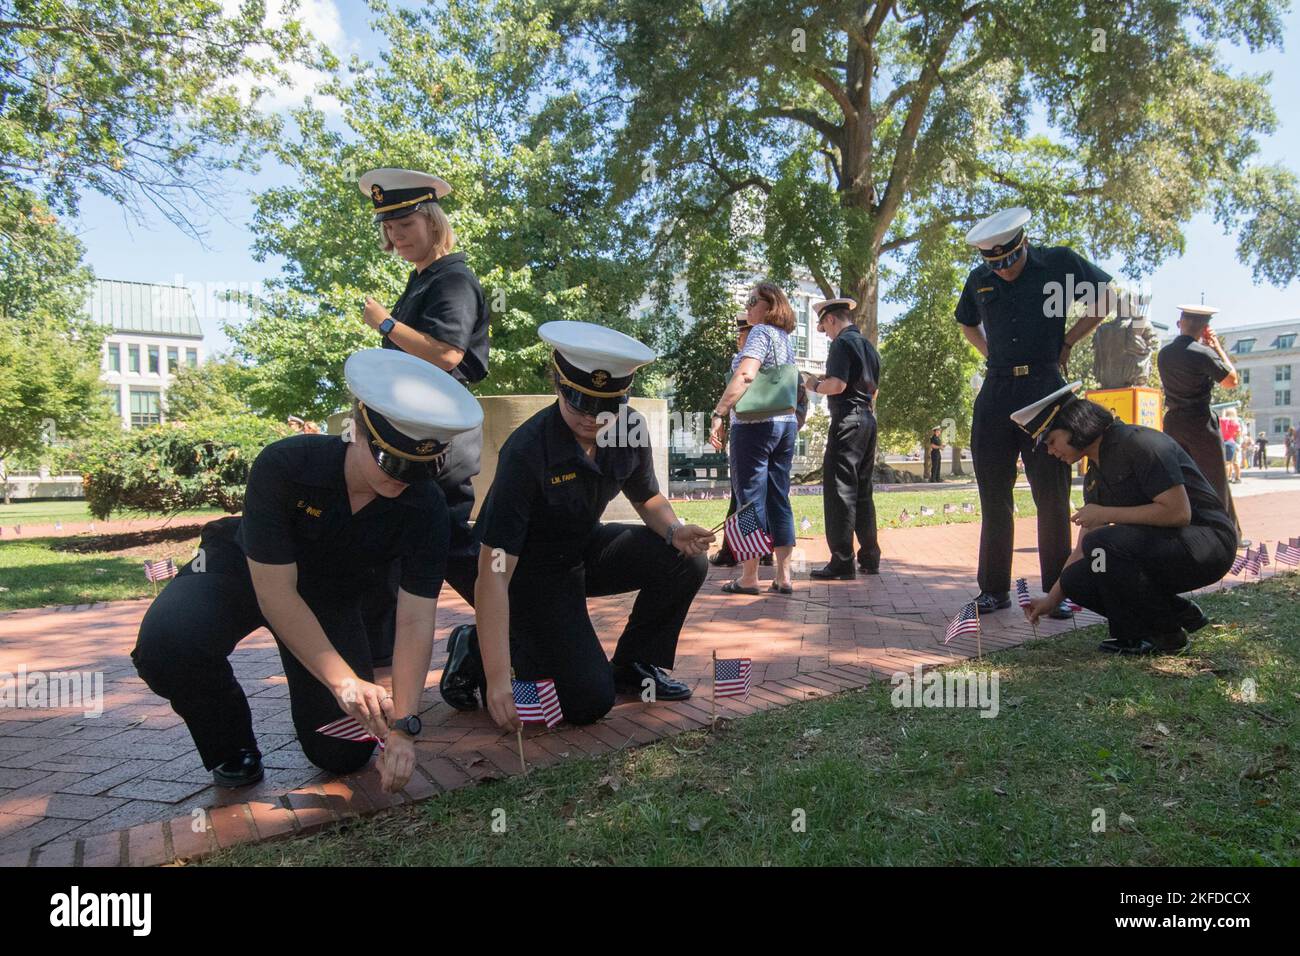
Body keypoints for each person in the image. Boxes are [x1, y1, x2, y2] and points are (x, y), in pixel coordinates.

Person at [132, 350, 482, 790]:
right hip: (241, 570)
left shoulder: (423, 504)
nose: (401, 479)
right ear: (355, 431)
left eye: (417, 468)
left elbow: (414, 619)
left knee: (343, 751)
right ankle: (231, 745)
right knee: (170, 646)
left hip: (327, 595)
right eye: (391, 461)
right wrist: (344, 682)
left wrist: (403, 725)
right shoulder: (286, 465)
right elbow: (276, 594)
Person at [440, 321, 715, 726]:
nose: (591, 418)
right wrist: (498, 681)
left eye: (605, 408)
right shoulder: (528, 451)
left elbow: (647, 496)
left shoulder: (629, 428)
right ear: (558, 385)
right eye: (578, 403)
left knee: (684, 560)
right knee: (588, 701)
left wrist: (675, 530)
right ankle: (475, 648)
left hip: (581, 552)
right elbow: (494, 572)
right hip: (523, 572)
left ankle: (633, 665)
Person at [955, 206, 1123, 617]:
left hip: (1046, 390)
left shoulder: (1059, 263)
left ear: (1023, 243)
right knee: (993, 495)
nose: (1005, 269)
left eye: (1010, 259)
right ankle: (993, 590)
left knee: (1051, 495)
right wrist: (988, 350)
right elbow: (965, 321)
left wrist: (1069, 342)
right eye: (995, 263)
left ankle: (1057, 589)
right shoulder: (980, 279)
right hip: (996, 390)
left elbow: (1107, 297)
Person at [356, 168, 491, 666]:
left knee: (450, 539)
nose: (396, 236)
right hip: (413, 429)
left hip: (438, 433)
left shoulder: (452, 278)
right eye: (389, 229)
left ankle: (522, 624)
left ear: (433, 220)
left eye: (406, 225)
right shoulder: (424, 279)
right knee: (395, 535)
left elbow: (447, 356)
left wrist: (386, 324)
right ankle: (380, 656)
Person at [1022, 385, 1236, 655]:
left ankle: (1163, 634)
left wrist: (1106, 514)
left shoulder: (1139, 443)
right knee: (1077, 577)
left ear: (1074, 426)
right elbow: (1082, 547)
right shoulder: (1095, 473)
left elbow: (1179, 513)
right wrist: (1051, 600)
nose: (1051, 451)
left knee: (1103, 545)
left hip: (1208, 542)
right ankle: (1172, 615)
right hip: (1164, 549)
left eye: (1051, 441)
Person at [708, 282, 799, 594]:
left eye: (752, 301)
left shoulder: (761, 333)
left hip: (755, 426)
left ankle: (748, 577)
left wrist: (719, 412)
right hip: (785, 426)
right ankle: (784, 575)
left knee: (748, 499)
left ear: (769, 304)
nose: (747, 307)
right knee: (779, 496)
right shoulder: (786, 338)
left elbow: (746, 375)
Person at [804, 296, 882, 579]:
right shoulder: (869, 347)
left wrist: (814, 384)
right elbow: (872, 390)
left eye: (824, 326)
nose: (826, 333)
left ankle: (842, 560)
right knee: (863, 490)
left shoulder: (842, 343)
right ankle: (870, 556)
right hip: (867, 420)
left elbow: (837, 385)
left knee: (840, 491)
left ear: (832, 319)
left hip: (847, 421)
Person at [1156, 304, 1241, 537]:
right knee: (1215, 478)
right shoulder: (1203, 353)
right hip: (1200, 422)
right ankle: (1227, 532)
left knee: (1180, 477)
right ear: (1205, 328)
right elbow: (1231, 381)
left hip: (1173, 421)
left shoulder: (1164, 354)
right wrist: (1216, 347)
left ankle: (1186, 525)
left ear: (1179, 324)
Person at [1220, 408, 1241, 483]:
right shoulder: (1236, 423)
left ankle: (1226, 478)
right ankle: (1237, 477)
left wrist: (1223, 412)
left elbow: (1222, 426)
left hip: (1223, 442)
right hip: (1232, 442)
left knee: (1226, 463)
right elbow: (1238, 433)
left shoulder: (1223, 421)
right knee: (1233, 462)